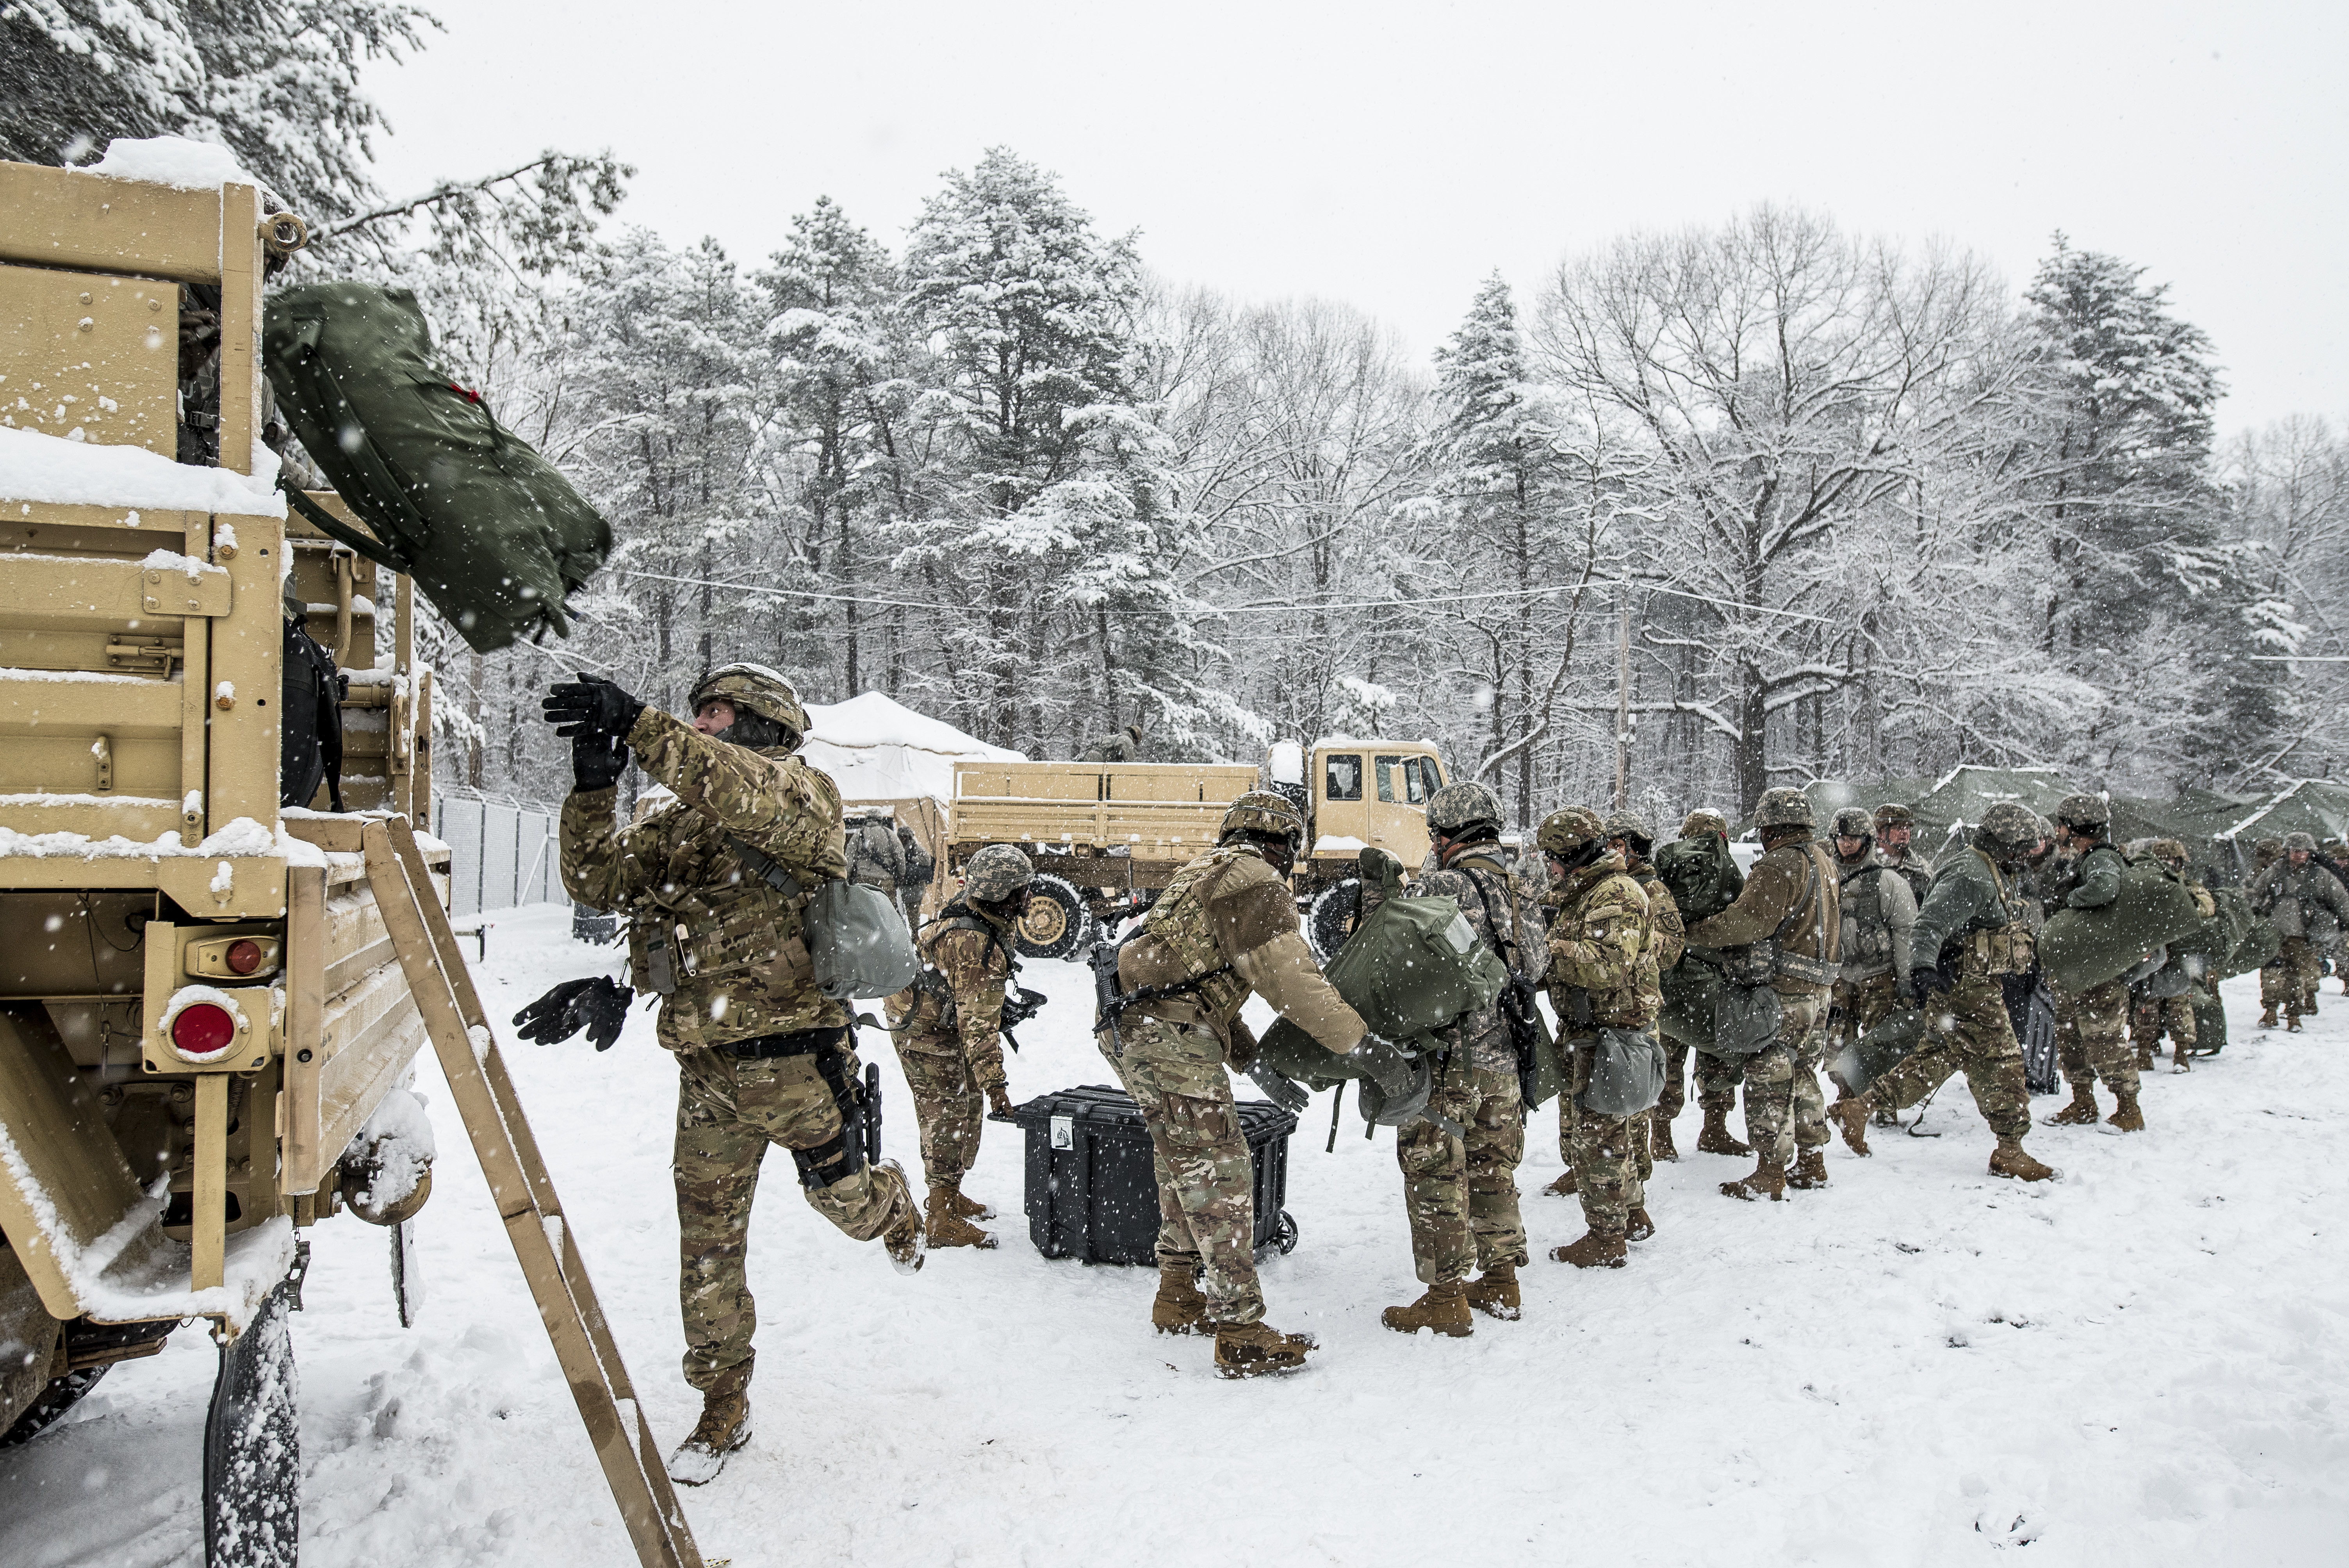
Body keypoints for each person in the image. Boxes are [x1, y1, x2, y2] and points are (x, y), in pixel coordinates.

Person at [536, 662, 923, 1487]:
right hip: (707, 1070)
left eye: (717, 712)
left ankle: (893, 1205)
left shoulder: (801, 794)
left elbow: (732, 784)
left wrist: (639, 722)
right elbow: (596, 881)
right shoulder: (682, 824)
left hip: (796, 1068)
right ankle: (722, 1398)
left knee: (847, 1210)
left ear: (763, 727)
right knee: (708, 1248)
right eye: (698, 713)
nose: (702, 724)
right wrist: (593, 786)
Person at [1098, 791, 1417, 1376]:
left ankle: (1178, 1294)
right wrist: (1363, 1047)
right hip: (1169, 1036)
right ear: (1286, 845)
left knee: (1183, 1165)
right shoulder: (1254, 880)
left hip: (1135, 1029)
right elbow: (1292, 981)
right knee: (1221, 1175)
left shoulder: (1204, 869)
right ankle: (1240, 1330)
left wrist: (1250, 1059)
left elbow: (1196, 976)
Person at [1361, 782, 1544, 1332]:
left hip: (1448, 1065)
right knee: (1494, 1170)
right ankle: (1501, 1281)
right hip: (1505, 1064)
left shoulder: (1438, 885)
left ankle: (1445, 1302)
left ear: (1444, 836)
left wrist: (1378, 895)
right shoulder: (1519, 890)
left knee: (1436, 1174)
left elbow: (1390, 964)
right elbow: (1536, 968)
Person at [1828, 804, 2058, 1181]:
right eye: (2021, 847)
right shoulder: (1972, 874)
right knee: (2005, 1064)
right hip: (1968, 990)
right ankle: (2010, 1150)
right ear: (2004, 843)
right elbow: (1927, 924)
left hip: (1967, 987)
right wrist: (1922, 971)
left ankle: (1859, 1109)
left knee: (1934, 1059)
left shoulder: (1992, 869)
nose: (2026, 855)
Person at [1680, 788, 1840, 1199]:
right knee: (1803, 1073)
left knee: (1768, 1076)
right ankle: (1812, 1160)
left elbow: (1746, 923)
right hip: (1819, 991)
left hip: (1784, 993)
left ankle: (1770, 1171)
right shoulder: (1823, 859)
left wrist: (1693, 934)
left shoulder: (1780, 864)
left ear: (1770, 828)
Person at [886, 843, 1033, 1247]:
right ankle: (940, 1217)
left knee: (964, 1108)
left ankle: (949, 1195)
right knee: (946, 1113)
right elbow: (978, 1026)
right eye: (1022, 889)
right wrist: (997, 1085)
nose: (1029, 896)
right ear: (1002, 894)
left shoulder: (978, 913)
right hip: (923, 1030)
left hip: (938, 1019)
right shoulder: (975, 944)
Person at [1537, 808, 1655, 1266]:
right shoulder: (1585, 892)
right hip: (1596, 1031)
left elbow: (1607, 964)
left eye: (1554, 856)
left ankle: (1607, 1238)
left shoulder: (1616, 894)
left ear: (1575, 854)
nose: (1549, 865)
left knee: (1598, 1137)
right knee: (1612, 1132)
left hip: (1611, 1035)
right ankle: (1632, 1213)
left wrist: (1545, 950)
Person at [2040, 793, 2144, 1131]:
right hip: (2079, 970)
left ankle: (2129, 1108)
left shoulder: (2100, 859)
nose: (2057, 832)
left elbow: (2104, 890)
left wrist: (2070, 902)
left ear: (2076, 828)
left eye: (2061, 825)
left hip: (2098, 972)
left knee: (2103, 1036)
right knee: (2071, 1035)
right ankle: (2083, 1101)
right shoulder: (2083, 858)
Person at [1668, 809, 1751, 1162]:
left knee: (1668, 1057)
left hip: (1671, 979)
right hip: (1717, 979)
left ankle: (1660, 1135)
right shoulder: (1730, 873)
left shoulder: (1670, 872)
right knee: (1720, 1051)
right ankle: (1714, 1127)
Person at [1823, 805, 1918, 1111]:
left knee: (1881, 1042)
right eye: (1842, 838)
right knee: (1837, 1040)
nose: (1847, 844)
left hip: (1880, 976)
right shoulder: (1825, 878)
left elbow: (1906, 933)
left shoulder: (1889, 882)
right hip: (1839, 976)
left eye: (1854, 838)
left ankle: (1878, 1101)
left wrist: (1906, 981)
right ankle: (1847, 1092)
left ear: (1867, 840)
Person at [1606, 810, 1684, 1170]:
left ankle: (1637, 1172)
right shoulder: (1609, 886)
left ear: (1638, 849)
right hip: (1610, 1004)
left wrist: (1632, 944)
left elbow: (1673, 944)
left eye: (1619, 845)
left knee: (1634, 1097)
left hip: (1638, 1005)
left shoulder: (1653, 889)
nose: (1612, 852)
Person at [2250, 831, 2349, 1032]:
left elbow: (2339, 898)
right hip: (2274, 930)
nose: (2299, 855)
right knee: (2271, 972)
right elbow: (2255, 893)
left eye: (2303, 851)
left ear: (2309, 852)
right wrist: (2253, 916)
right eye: (2295, 851)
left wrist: (2346, 921)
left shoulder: (2320, 875)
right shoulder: (2276, 871)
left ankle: (2294, 1015)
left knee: (2296, 974)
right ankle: (2270, 1011)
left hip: (2303, 932)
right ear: (2288, 852)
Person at [2129, 839, 2213, 1073]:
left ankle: (2181, 1054)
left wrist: (2183, 908)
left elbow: (2207, 905)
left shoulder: (2186, 884)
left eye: (2171, 860)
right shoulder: (2146, 882)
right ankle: (2144, 1051)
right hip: (2153, 950)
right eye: (2163, 860)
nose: (2167, 864)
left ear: (2179, 862)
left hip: (2179, 953)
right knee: (2147, 1003)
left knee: (2180, 1003)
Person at [1873, 803, 1935, 906]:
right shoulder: (1866, 862)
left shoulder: (1921, 866)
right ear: (1880, 832)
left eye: (1907, 828)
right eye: (1898, 828)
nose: (1905, 832)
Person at [1080, 722, 1144, 763]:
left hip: (1089, 759)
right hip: (1096, 761)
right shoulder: (1126, 740)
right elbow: (1131, 764)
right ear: (1135, 739)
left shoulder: (1117, 737)